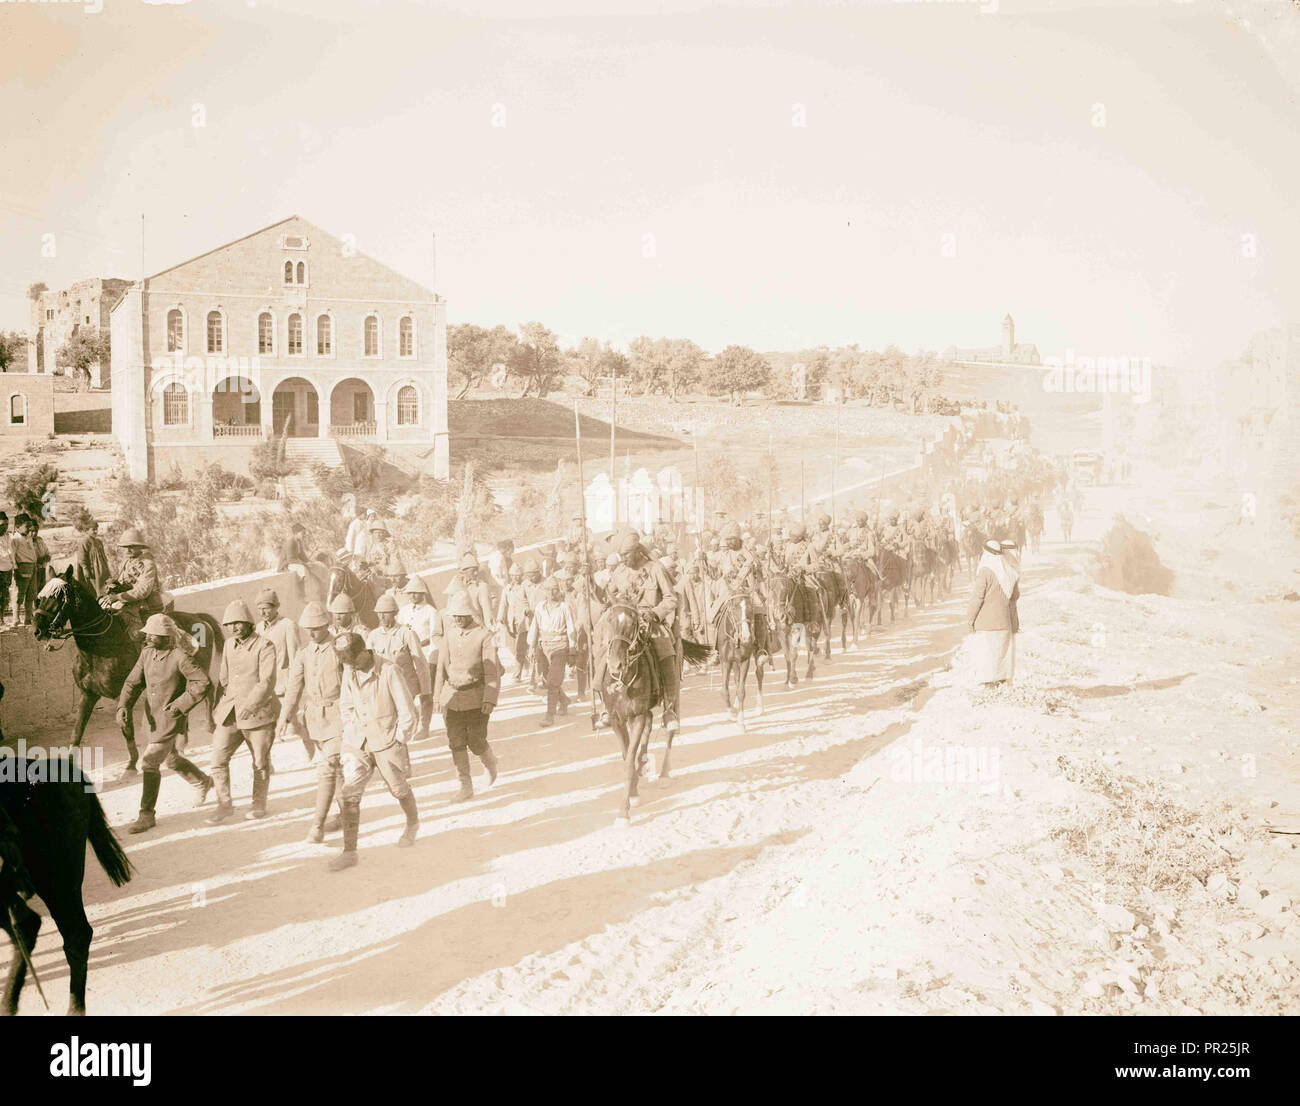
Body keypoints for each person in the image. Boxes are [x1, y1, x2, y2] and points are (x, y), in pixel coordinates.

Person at [116, 613, 214, 834]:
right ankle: (202, 781)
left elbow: (202, 682)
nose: (148, 637)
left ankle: (146, 814)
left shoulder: (180, 656)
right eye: (148, 634)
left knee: (150, 762)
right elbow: (132, 682)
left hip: (170, 719)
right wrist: (123, 706)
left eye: (153, 634)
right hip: (151, 718)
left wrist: (180, 705)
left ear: (166, 636)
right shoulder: (147, 653)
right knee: (170, 758)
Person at [331, 631, 421, 871]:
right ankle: (350, 851)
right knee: (349, 792)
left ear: (363, 652)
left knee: (398, 788)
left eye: (353, 660)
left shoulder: (389, 671)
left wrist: (398, 741)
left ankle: (412, 823)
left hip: (386, 741)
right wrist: (352, 732)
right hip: (358, 742)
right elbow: (346, 706)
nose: (351, 665)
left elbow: (408, 712)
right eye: (346, 662)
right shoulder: (349, 671)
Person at [593, 531, 680, 734]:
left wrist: (656, 613)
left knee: (666, 653)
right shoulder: (620, 572)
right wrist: (592, 583)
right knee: (603, 653)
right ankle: (605, 706)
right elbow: (607, 597)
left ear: (637, 552)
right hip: (625, 624)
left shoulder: (655, 569)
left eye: (626, 556)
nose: (623, 561)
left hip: (650, 623)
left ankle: (669, 709)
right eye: (621, 557)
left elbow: (671, 599)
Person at [278, 602, 346, 843]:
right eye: (308, 629)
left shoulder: (340, 648)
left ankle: (317, 826)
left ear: (326, 625)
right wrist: (284, 717)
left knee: (328, 768)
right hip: (315, 720)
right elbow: (294, 688)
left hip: (340, 716)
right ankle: (345, 813)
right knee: (337, 772)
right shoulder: (303, 654)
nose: (311, 633)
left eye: (316, 628)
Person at [209, 600, 280, 823]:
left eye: (238, 623)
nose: (234, 628)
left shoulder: (264, 645)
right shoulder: (229, 645)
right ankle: (224, 804)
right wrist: (221, 706)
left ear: (249, 623)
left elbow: (267, 681)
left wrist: (250, 704)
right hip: (230, 712)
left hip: (257, 714)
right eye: (229, 624)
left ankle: (259, 804)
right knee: (217, 759)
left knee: (259, 762)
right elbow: (223, 678)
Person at [433, 592, 500, 802]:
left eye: (462, 615)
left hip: (476, 697)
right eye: (455, 616)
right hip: (452, 697)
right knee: (456, 742)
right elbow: (441, 668)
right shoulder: (449, 635)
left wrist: (489, 698)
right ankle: (465, 785)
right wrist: (437, 697)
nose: (458, 619)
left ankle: (490, 764)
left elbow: (491, 671)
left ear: (470, 614)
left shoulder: (483, 636)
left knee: (476, 740)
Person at [965, 539, 1020, 687]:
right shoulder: (1009, 572)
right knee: (1001, 657)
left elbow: (977, 598)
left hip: (985, 624)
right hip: (1004, 622)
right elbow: (1014, 599)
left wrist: (970, 619)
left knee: (986, 657)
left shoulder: (985, 572)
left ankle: (989, 687)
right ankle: (1000, 685)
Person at [366, 592, 432, 705]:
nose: (381, 617)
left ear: (395, 613)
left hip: (406, 687)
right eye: (379, 613)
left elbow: (421, 663)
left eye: (386, 613)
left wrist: (426, 691)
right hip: (383, 689)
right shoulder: (373, 636)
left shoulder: (407, 633)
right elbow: (368, 666)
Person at [528, 575, 577, 727]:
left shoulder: (564, 607)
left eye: (555, 590)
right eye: (549, 590)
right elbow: (534, 627)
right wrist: (531, 646)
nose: (552, 593)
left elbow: (571, 628)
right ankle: (564, 700)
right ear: (545, 591)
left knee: (552, 681)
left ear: (559, 591)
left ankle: (549, 715)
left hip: (560, 646)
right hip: (543, 647)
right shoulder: (540, 607)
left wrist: (572, 648)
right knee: (545, 679)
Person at [396, 576, 439, 740]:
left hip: (425, 654)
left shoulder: (430, 611)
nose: (413, 596)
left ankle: (424, 726)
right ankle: (410, 724)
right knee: (406, 691)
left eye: (417, 593)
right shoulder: (404, 611)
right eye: (411, 593)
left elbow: (435, 636)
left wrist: (433, 660)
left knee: (425, 692)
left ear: (423, 593)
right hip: (407, 657)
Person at [496, 562, 534, 684]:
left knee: (520, 648)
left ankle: (517, 675)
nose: (515, 578)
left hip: (525, 622)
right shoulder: (507, 589)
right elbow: (503, 604)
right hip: (511, 623)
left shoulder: (525, 587)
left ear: (522, 576)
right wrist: (500, 617)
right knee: (513, 648)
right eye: (513, 575)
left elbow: (531, 602)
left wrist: (529, 610)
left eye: (518, 575)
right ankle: (526, 665)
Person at [71, 510, 111, 599]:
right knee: (94, 591)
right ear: (87, 530)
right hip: (93, 572)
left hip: (102, 570)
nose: (96, 532)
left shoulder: (98, 541)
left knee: (106, 589)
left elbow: (103, 556)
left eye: (97, 529)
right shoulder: (84, 542)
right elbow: (82, 558)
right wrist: (86, 570)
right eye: (93, 530)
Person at [10, 515, 38, 627]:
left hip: (32, 566)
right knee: (19, 594)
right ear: (17, 527)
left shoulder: (29, 537)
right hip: (22, 567)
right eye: (27, 526)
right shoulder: (15, 539)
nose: (30, 528)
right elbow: (12, 555)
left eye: (31, 526)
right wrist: (15, 568)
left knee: (31, 593)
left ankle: (28, 618)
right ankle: (16, 618)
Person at [0, 512, 12, 625]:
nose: (4, 527)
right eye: (2, 524)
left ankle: (1, 618)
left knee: (4, 595)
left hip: (7, 570)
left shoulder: (7, 536)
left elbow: (10, 553)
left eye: (6, 524)